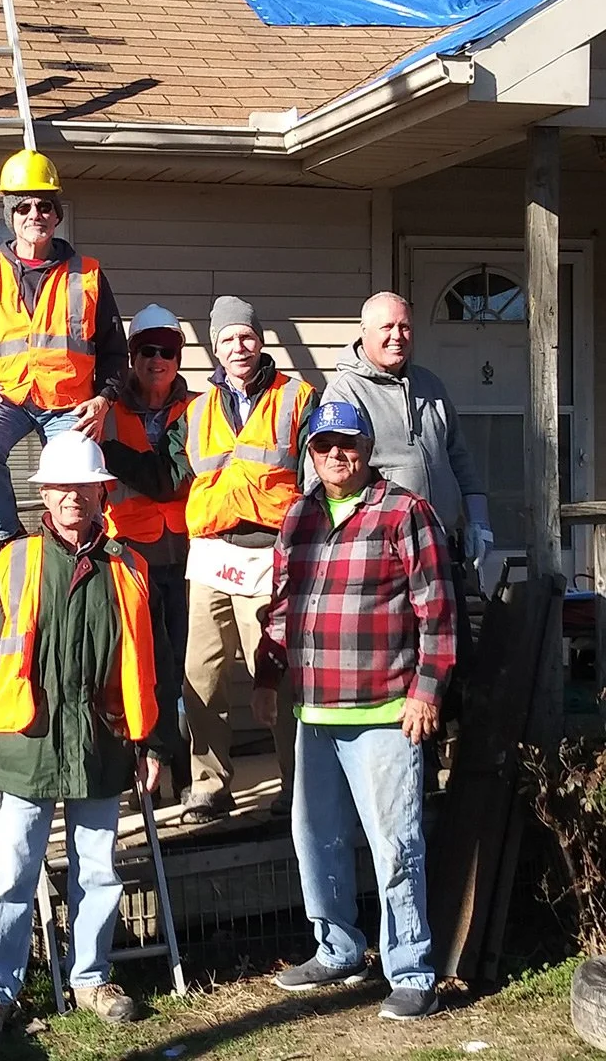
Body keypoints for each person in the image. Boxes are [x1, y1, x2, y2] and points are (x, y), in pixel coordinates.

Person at [0, 431, 176, 1036]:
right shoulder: (14, 562)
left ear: (103, 493)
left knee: (98, 870)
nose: (73, 497)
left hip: (102, 745)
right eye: (61, 487)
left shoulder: (130, 568)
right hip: (28, 747)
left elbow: (152, 666)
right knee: (14, 875)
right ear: (44, 493)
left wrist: (153, 744)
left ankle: (92, 978)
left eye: (84, 487)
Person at [254, 401, 456, 1021]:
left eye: (348, 444)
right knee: (316, 840)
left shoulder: (404, 511)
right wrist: (267, 673)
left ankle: (413, 969)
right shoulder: (300, 514)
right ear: (309, 452)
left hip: (386, 711)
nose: (336, 456)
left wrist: (427, 690)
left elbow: (438, 610)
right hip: (314, 714)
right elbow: (283, 605)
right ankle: (338, 948)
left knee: (396, 845)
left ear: (367, 449)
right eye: (324, 446)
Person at [0, 148, 128, 551]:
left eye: (43, 206)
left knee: (79, 471)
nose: (33, 214)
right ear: (11, 214)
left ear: (56, 214)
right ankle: (9, 538)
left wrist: (104, 399)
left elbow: (113, 349)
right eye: (23, 206)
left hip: (67, 402)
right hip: (3, 397)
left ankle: (69, 547)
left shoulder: (87, 274)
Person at [172, 297, 317, 823]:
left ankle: (297, 786)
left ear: (261, 340)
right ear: (215, 346)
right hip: (211, 553)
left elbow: (317, 473)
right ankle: (209, 785)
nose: (239, 346)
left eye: (247, 336)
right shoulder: (194, 409)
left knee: (274, 676)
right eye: (228, 338)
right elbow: (167, 473)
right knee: (201, 675)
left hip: (270, 553)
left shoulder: (297, 397)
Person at [318, 291, 490, 682]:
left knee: (454, 664)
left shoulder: (430, 384)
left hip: (443, 549)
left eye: (405, 326)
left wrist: (479, 522)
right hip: (388, 558)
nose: (397, 335)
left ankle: (454, 740)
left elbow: (458, 457)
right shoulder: (346, 392)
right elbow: (331, 477)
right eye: (387, 327)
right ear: (364, 333)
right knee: (407, 666)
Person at [100, 303, 195, 799]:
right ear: (131, 356)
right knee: (132, 666)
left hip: (185, 556)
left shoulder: (200, 408)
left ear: (179, 356)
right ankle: (132, 777)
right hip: (126, 553)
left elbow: (174, 479)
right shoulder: (104, 409)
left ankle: (177, 776)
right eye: (146, 350)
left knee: (179, 668)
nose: (157, 360)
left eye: (168, 350)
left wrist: (114, 457)